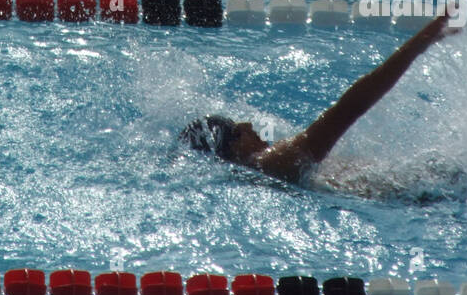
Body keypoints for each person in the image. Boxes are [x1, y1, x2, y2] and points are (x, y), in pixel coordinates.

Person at [182, 11, 452, 182]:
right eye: (235, 131)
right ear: (232, 152)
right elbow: (350, 107)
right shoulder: (276, 162)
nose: (247, 125)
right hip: (426, 196)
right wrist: (420, 43)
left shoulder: (265, 169)